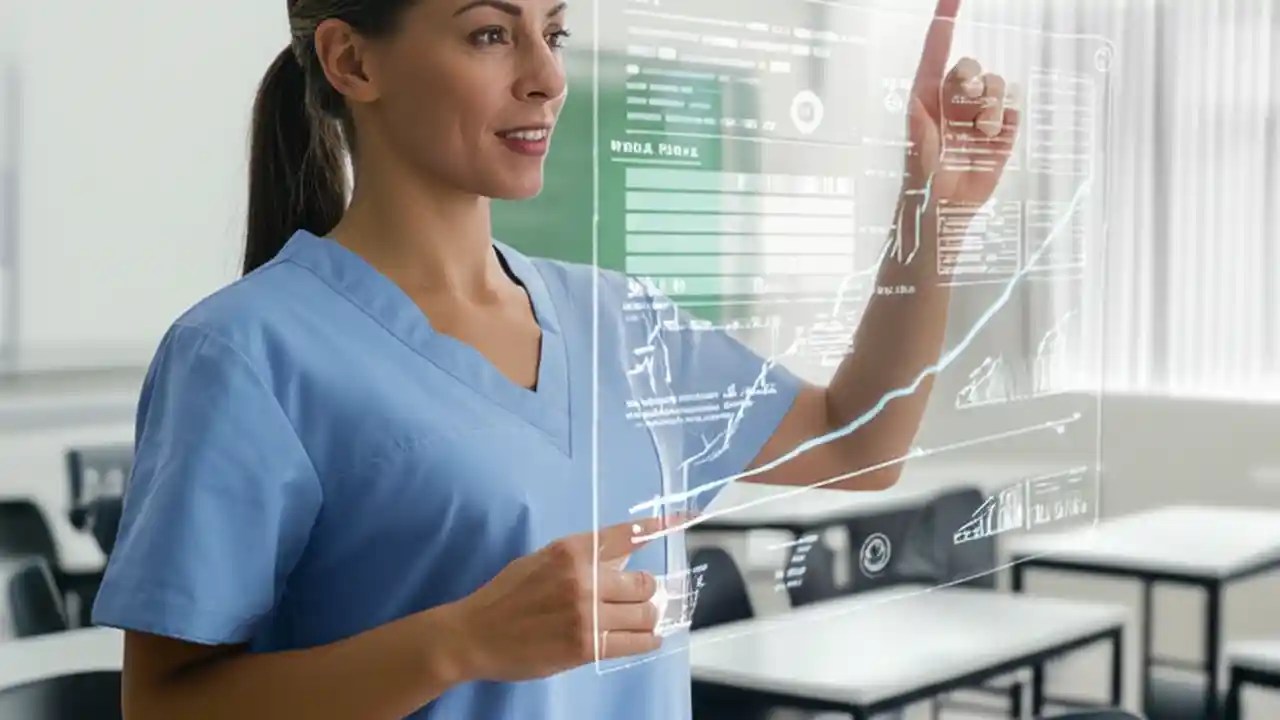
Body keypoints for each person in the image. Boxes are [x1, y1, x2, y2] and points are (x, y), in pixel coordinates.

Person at [91, 0, 1022, 718]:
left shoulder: (616, 319)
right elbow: (163, 704)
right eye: (492, 34)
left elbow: (860, 445)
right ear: (352, 59)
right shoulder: (247, 354)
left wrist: (932, 216)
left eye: (555, 30)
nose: (547, 78)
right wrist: (458, 642)